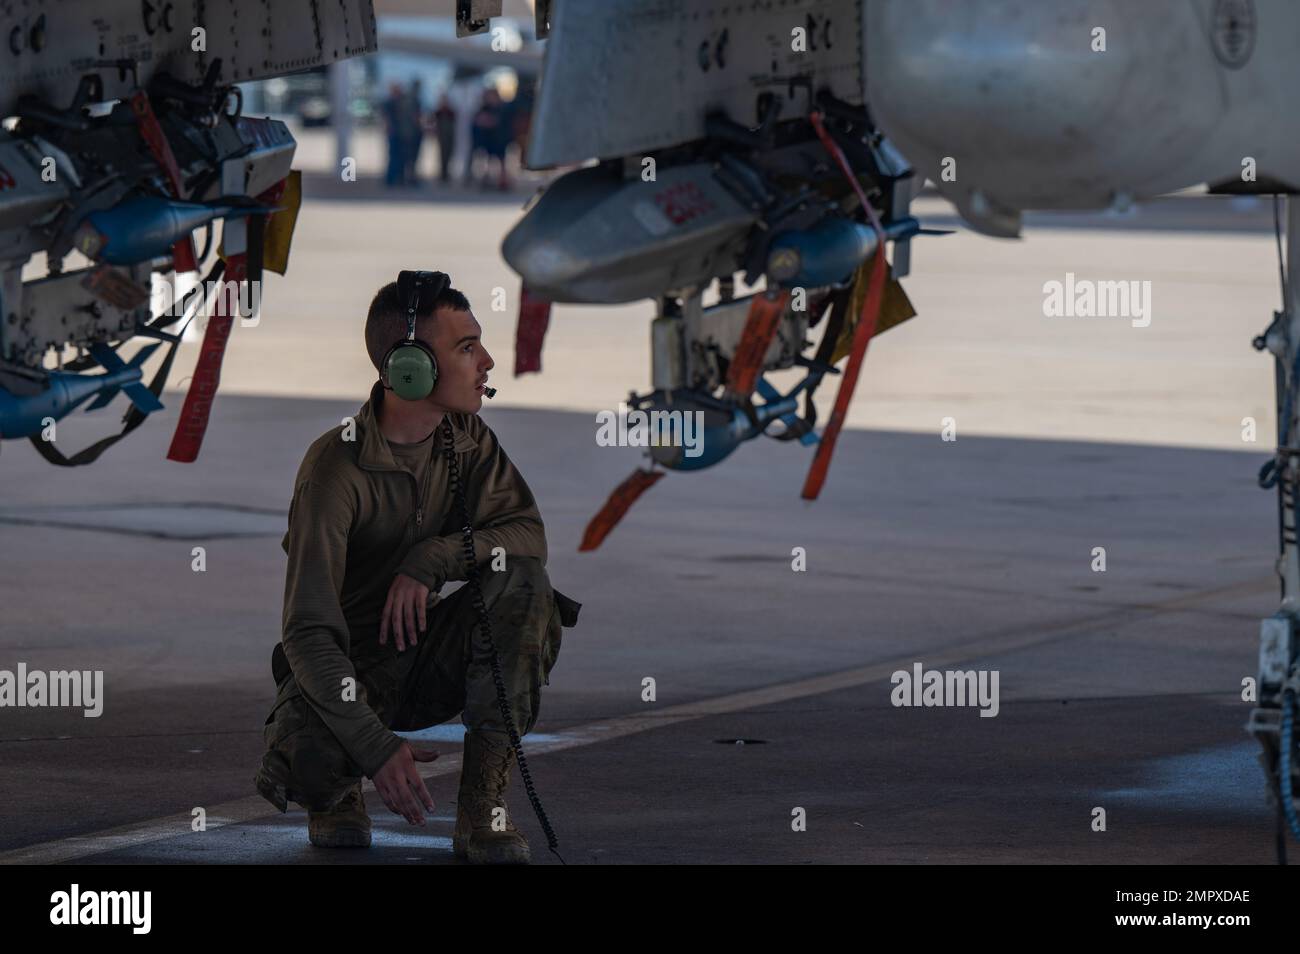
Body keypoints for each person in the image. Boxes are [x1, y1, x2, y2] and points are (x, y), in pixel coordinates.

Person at [253, 276, 574, 864]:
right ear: (410, 369)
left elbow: (527, 536)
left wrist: (433, 558)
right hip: (349, 672)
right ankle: (339, 791)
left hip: (425, 657)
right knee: (310, 762)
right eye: (466, 347)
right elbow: (308, 632)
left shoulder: (467, 440)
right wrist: (373, 747)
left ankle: (483, 806)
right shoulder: (335, 469)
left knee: (523, 582)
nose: (487, 361)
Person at [381, 83, 407, 188]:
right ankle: (391, 179)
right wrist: (389, 129)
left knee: (400, 156)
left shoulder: (400, 102)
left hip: (400, 133)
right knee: (393, 156)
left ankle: (398, 178)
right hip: (394, 133)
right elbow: (386, 118)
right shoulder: (389, 102)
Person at [434, 94, 457, 184]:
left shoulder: (451, 112)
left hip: (449, 136)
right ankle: (443, 173)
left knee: (449, 154)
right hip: (442, 137)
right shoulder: (438, 112)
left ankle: (446, 172)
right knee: (442, 155)